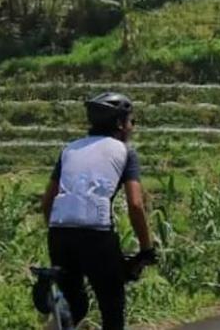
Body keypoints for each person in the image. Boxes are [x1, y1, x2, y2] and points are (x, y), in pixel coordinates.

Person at [40, 93, 156, 330]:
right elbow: (135, 204)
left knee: (73, 306)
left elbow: (47, 202)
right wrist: (146, 248)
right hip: (97, 235)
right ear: (120, 124)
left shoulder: (69, 149)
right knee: (112, 308)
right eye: (131, 121)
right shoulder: (125, 152)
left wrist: (61, 235)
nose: (132, 128)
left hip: (59, 233)